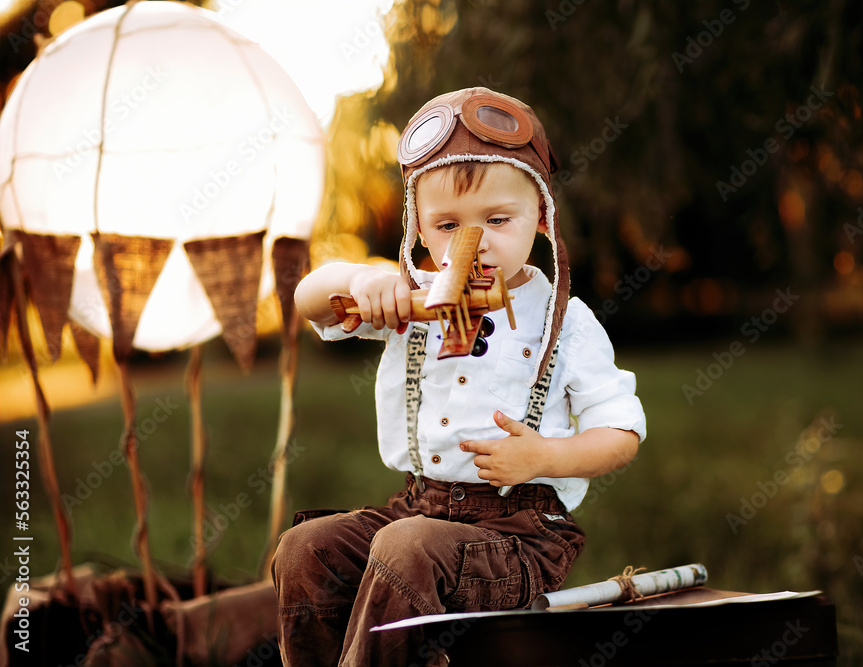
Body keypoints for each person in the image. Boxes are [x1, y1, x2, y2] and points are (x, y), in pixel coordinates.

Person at [272, 87, 646, 667]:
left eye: (498, 219)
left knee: (405, 548)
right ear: (420, 230)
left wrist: (544, 456)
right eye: (448, 224)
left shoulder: (564, 320)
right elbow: (308, 303)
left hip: (520, 535)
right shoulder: (410, 298)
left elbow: (621, 434)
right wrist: (356, 277)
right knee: (306, 548)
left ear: (541, 217)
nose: (476, 242)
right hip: (419, 509)